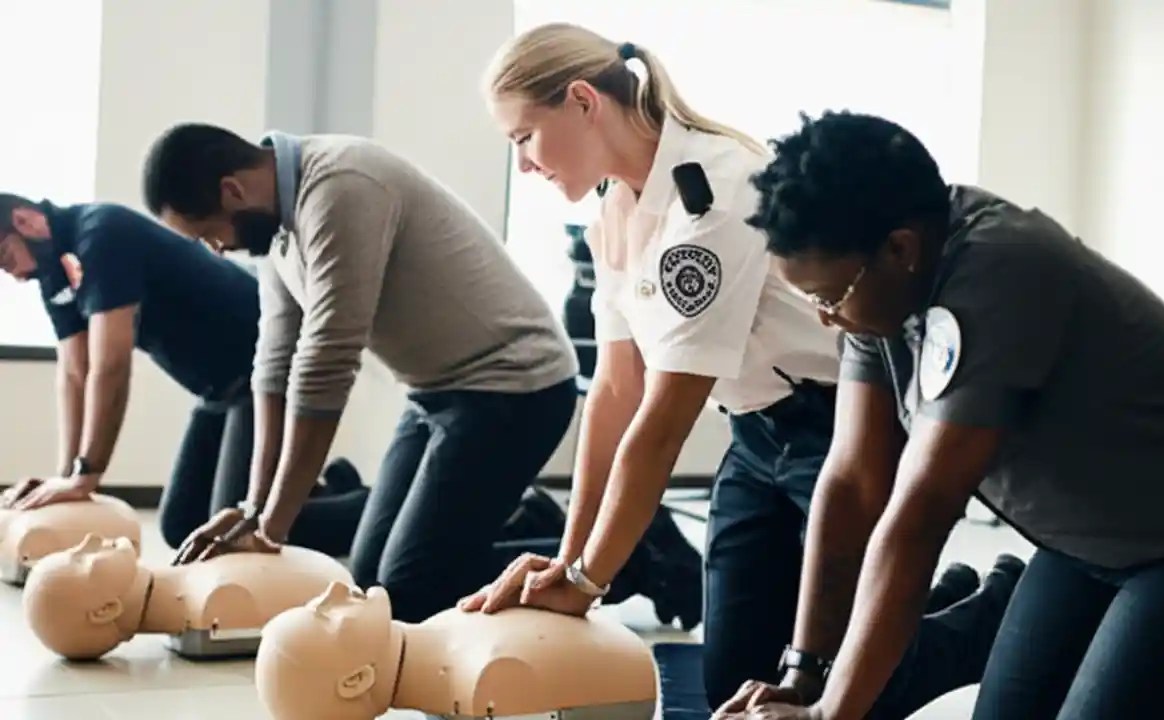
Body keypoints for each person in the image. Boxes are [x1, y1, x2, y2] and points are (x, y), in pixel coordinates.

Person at [458, 23, 1025, 719]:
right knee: (734, 687)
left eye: (523, 138)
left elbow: (663, 422)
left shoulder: (713, 196)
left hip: (842, 430)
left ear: (581, 101)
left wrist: (587, 579)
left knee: (836, 697)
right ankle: (932, 608)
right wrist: (567, 561)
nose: (524, 166)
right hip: (755, 440)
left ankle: (987, 619)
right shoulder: (615, 211)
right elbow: (614, 393)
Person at [715, 111, 1164, 720]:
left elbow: (921, 514)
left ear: (900, 249)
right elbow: (852, 481)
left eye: (827, 298)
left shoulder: (999, 271)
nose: (825, 318)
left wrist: (830, 716)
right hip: (1087, 543)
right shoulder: (875, 286)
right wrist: (804, 672)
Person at [140, 123, 704, 626]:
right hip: (436, 394)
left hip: (513, 386)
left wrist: (272, 528)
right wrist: (251, 507)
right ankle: (526, 519)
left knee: (411, 591)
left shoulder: (340, 184)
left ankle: (639, 555)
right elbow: (274, 362)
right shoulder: (278, 230)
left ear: (233, 192)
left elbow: (327, 361)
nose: (215, 249)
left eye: (207, 233)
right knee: (374, 578)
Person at [0, 193, 369, 558]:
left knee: (237, 528)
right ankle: (327, 489)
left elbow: (110, 367)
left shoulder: (101, 233)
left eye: (6, 257)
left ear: (24, 221)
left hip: (265, 370)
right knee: (184, 525)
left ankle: (377, 509)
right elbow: (73, 374)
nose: (15, 275)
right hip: (219, 390)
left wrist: (88, 473)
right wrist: (66, 475)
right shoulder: (55, 277)